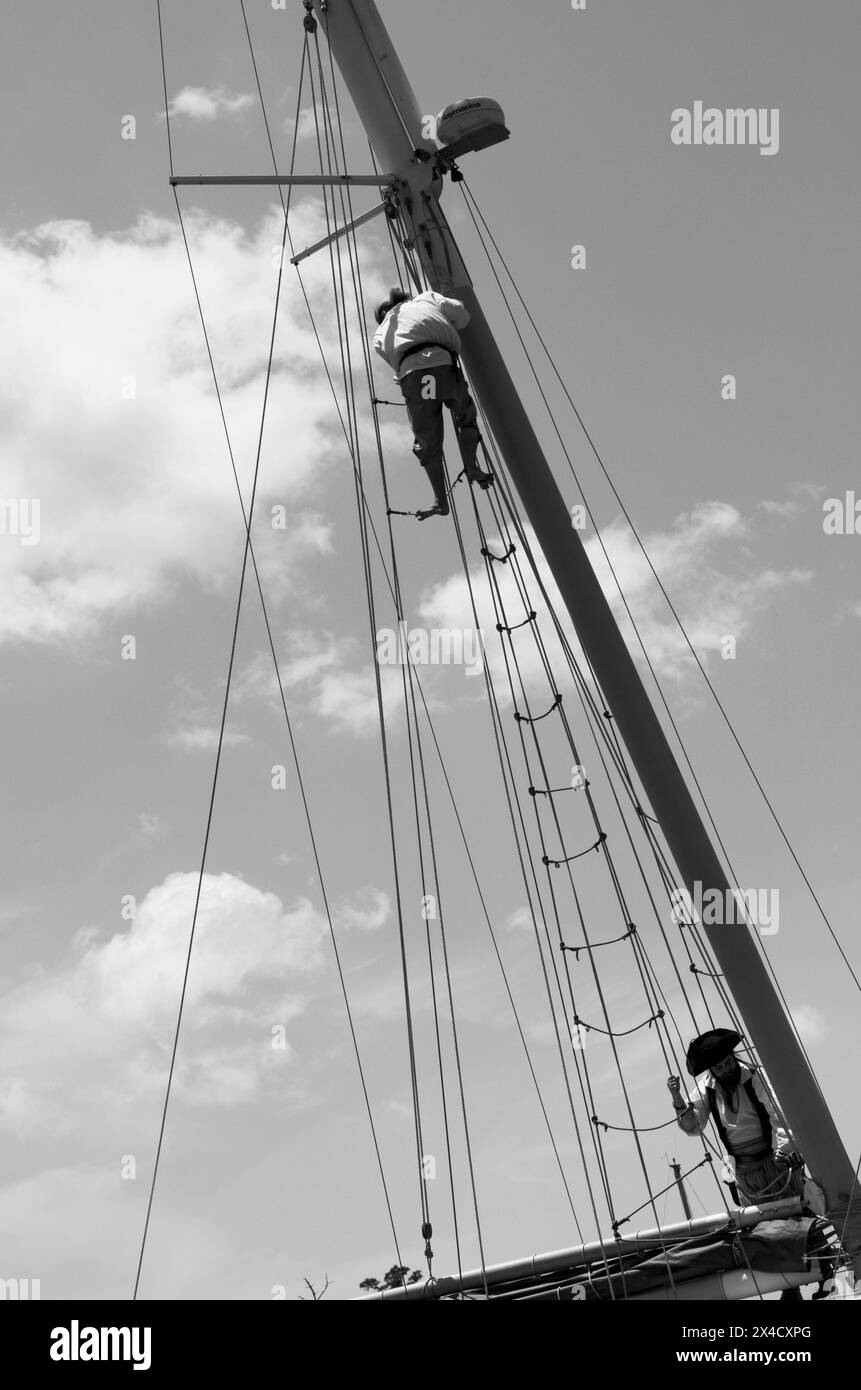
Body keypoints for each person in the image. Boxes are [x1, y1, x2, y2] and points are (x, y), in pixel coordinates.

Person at [668, 1028, 810, 1300]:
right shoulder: (705, 1088)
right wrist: (677, 1099)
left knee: (795, 1217)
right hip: (743, 1170)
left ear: (734, 1058)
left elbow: (777, 1113)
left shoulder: (754, 1076)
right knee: (764, 1228)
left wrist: (785, 1149)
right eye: (719, 1066)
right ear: (712, 1069)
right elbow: (693, 1126)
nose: (725, 1069)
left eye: (728, 1062)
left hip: (773, 1159)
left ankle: (819, 1267)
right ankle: (790, 1288)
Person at [372, 286, 493, 520]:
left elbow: (393, 364)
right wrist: (449, 325)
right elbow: (459, 311)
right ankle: (472, 466)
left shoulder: (380, 334)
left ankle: (440, 501)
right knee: (465, 418)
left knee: (428, 441)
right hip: (442, 364)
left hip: (415, 378)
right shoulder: (426, 298)